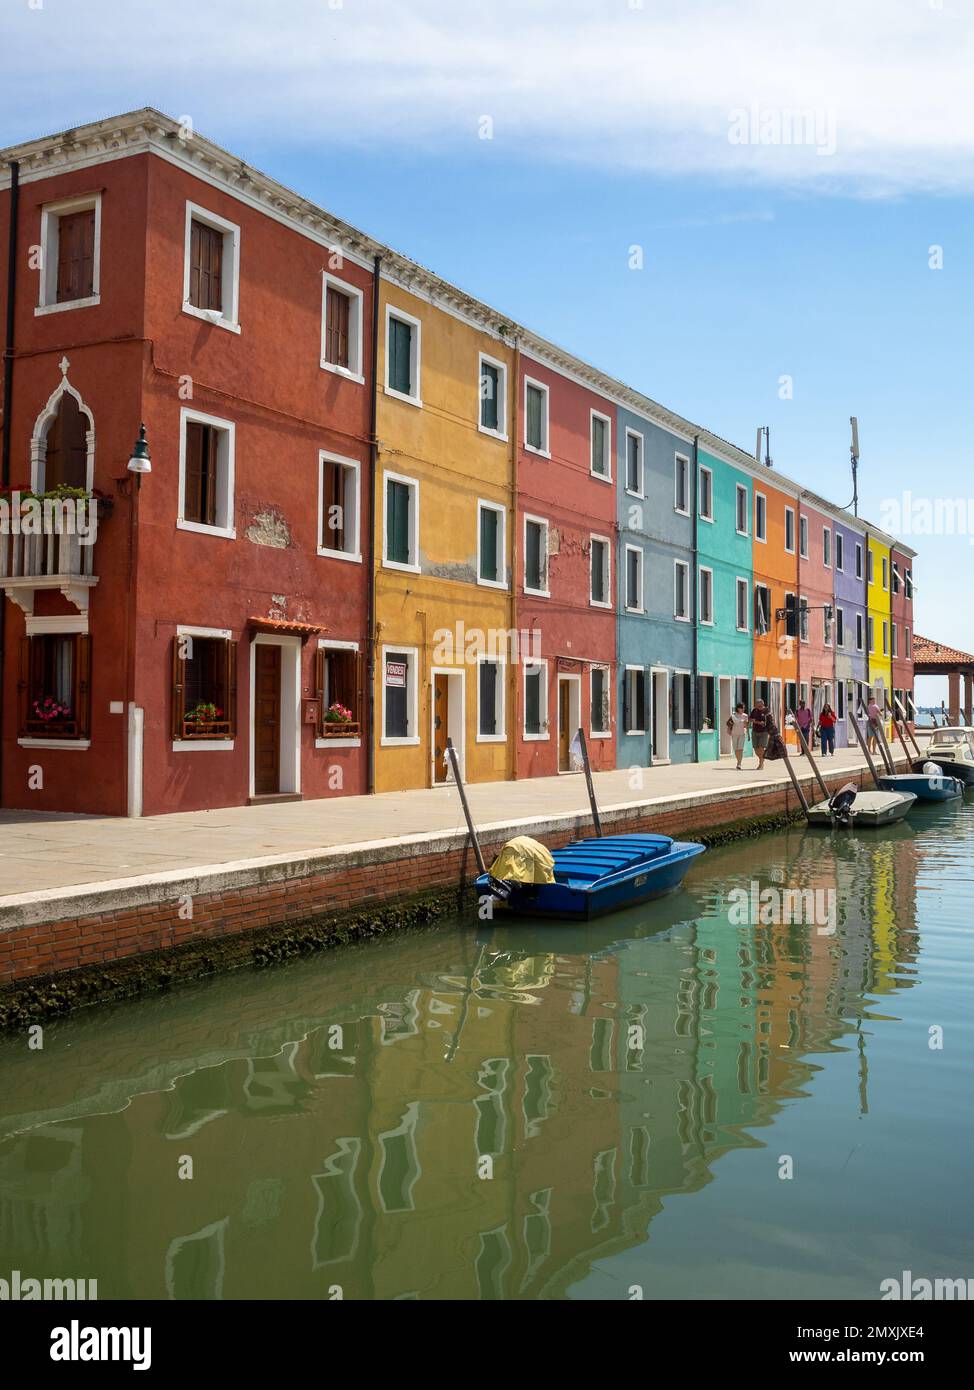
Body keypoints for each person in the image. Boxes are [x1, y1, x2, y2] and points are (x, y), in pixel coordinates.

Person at [748, 698, 770, 770]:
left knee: (761, 748)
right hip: (755, 731)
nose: (758, 707)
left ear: (762, 705)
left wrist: (757, 722)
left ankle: (761, 763)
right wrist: (753, 721)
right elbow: (750, 719)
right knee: (756, 749)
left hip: (764, 732)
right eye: (757, 706)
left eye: (759, 706)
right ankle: (762, 759)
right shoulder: (754, 710)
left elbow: (766, 722)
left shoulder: (766, 711)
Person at [726, 702, 749, 770]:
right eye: (742, 708)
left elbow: (746, 726)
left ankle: (739, 763)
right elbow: (729, 723)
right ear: (738, 708)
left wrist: (748, 734)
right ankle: (738, 761)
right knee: (736, 749)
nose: (743, 709)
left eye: (744, 708)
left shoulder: (745, 716)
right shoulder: (733, 715)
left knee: (740, 749)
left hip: (742, 734)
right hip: (734, 734)